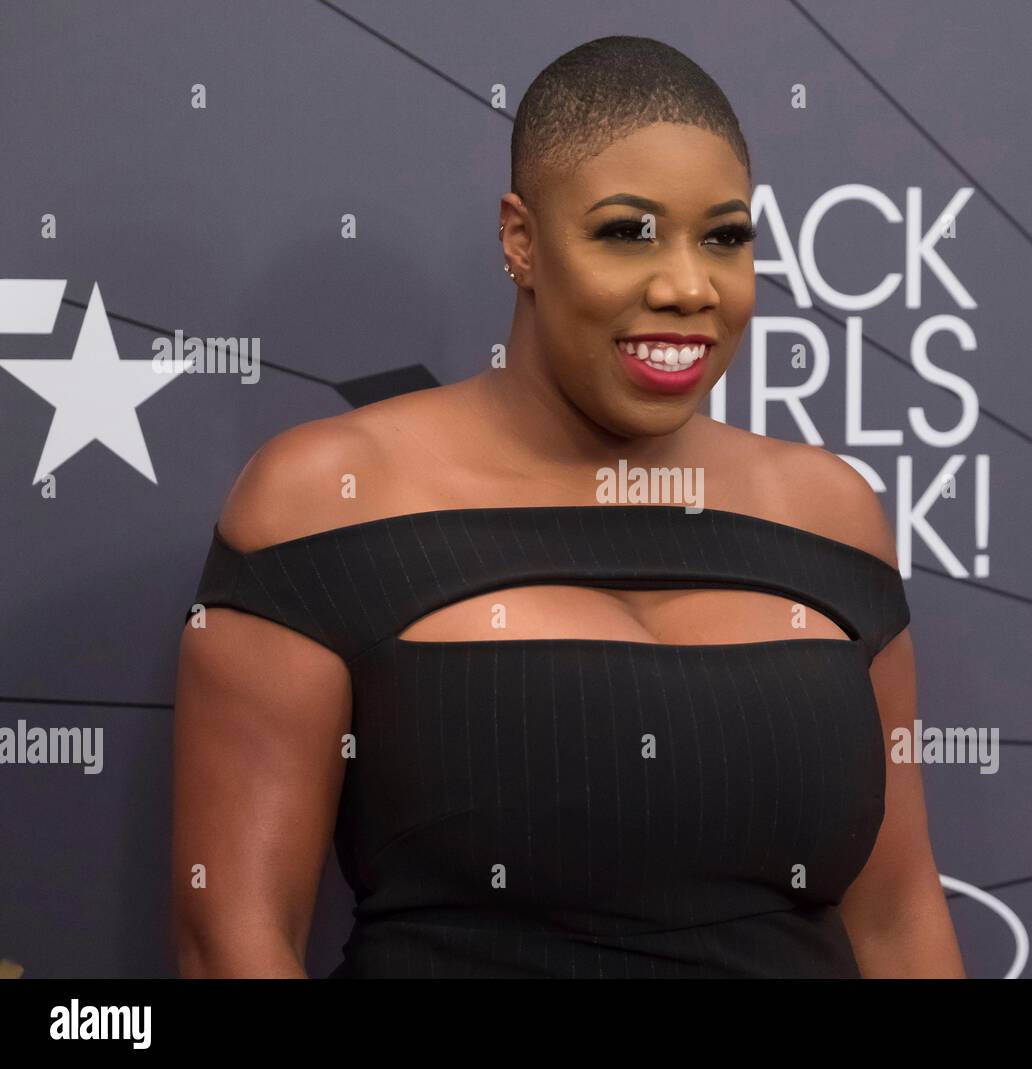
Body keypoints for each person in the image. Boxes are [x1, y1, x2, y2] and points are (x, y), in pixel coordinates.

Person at [171, 34, 964, 978]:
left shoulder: (831, 513)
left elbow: (899, 918)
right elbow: (235, 939)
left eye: (725, 236)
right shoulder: (325, 500)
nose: (686, 285)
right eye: (626, 231)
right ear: (522, 240)